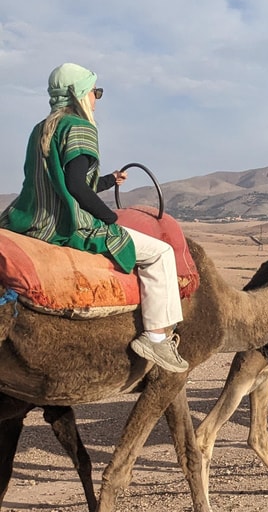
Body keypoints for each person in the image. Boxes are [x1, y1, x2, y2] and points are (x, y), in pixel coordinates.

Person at [0, 63, 188, 372]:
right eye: (94, 92)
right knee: (160, 252)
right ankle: (155, 337)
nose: (96, 99)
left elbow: (62, 181)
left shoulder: (41, 129)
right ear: (79, 94)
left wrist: (109, 180)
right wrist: (108, 218)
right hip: (64, 225)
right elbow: (75, 186)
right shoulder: (79, 127)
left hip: (26, 220)